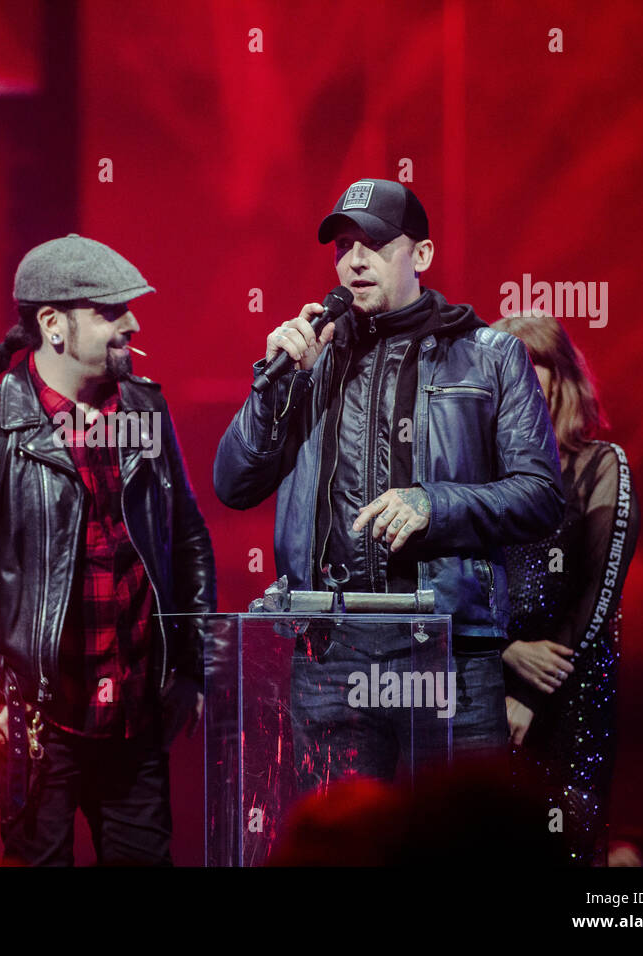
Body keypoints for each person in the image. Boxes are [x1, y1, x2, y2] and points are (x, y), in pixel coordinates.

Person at [213, 179, 564, 791]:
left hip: (449, 649)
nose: (353, 260)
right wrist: (272, 388)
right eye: (343, 245)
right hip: (330, 650)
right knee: (340, 848)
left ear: (421, 256)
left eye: (373, 243)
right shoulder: (310, 360)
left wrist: (435, 504)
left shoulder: (491, 356)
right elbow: (233, 484)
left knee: (454, 844)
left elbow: (540, 495)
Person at [0, 234, 216, 866]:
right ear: (53, 325)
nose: (133, 323)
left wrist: (193, 664)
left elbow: (188, 539)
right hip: (39, 725)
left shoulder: (146, 408)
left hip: (134, 720)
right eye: (110, 310)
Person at [493, 312, 640, 866]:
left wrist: (533, 690)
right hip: (492, 682)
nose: (521, 381)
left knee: (568, 847)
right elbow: (459, 582)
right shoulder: (482, 480)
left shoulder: (600, 465)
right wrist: (505, 652)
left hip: (570, 690)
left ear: (562, 377)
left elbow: (599, 591)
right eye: (507, 370)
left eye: (533, 366)